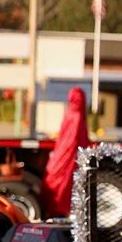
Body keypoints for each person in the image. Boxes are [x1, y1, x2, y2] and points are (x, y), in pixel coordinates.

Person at [42, 86, 92, 216]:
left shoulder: (70, 113)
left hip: (64, 155)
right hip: (71, 155)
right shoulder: (78, 116)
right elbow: (75, 140)